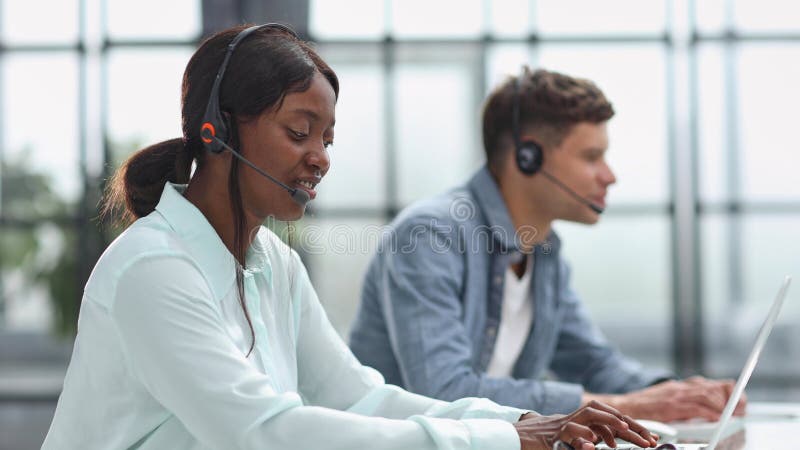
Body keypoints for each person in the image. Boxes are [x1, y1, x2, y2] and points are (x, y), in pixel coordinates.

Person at [42, 25, 658, 450]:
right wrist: (503, 438)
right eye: (299, 131)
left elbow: (357, 397)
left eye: (327, 140)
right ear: (219, 129)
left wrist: (522, 420)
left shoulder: (273, 264)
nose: (319, 158)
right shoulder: (153, 269)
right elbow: (262, 433)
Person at [349, 67, 745, 423]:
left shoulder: (544, 251)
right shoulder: (429, 236)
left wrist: (680, 394)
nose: (610, 176)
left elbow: (591, 363)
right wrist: (628, 407)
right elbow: (442, 392)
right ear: (528, 158)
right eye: (593, 156)